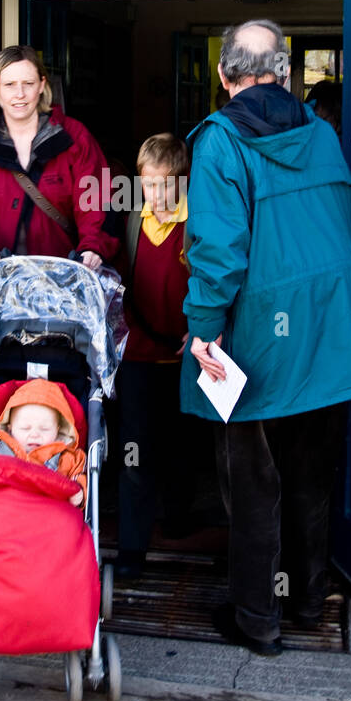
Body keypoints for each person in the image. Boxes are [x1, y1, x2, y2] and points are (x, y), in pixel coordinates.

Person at [181, 19, 351, 656]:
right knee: (309, 477)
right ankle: (306, 600)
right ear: (287, 73)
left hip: (258, 337)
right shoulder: (322, 133)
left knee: (252, 482)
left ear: (223, 74)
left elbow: (218, 251)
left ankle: (256, 618)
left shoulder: (218, 141)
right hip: (327, 330)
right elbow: (348, 225)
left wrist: (203, 330)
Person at [0, 45, 118, 273]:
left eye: (28, 84)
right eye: (9, 85)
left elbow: (98, 201)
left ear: (42, 85)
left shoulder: (75, 137)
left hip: (64, 281)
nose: (19, 94)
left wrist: (93, 247)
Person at [115, 133, 206, 579]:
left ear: (183, 182)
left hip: (188, 354)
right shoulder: (133, 221)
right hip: (139, 355)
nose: (157, 195)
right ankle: (132, 546)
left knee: (183, 443)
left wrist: (202, 330)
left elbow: (214, 280)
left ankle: (178, 516)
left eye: (167, 184)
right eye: (148, 184)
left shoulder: (198, 223)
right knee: (135, 448)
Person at [0, 377, 87, 507]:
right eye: (25, 428)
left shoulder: (69, 459)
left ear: (58, 431)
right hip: (5, 510)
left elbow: (79, 478)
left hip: (49, 514)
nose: (34, 434)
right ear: (10, 427)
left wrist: (79, 492)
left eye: (44, 429)